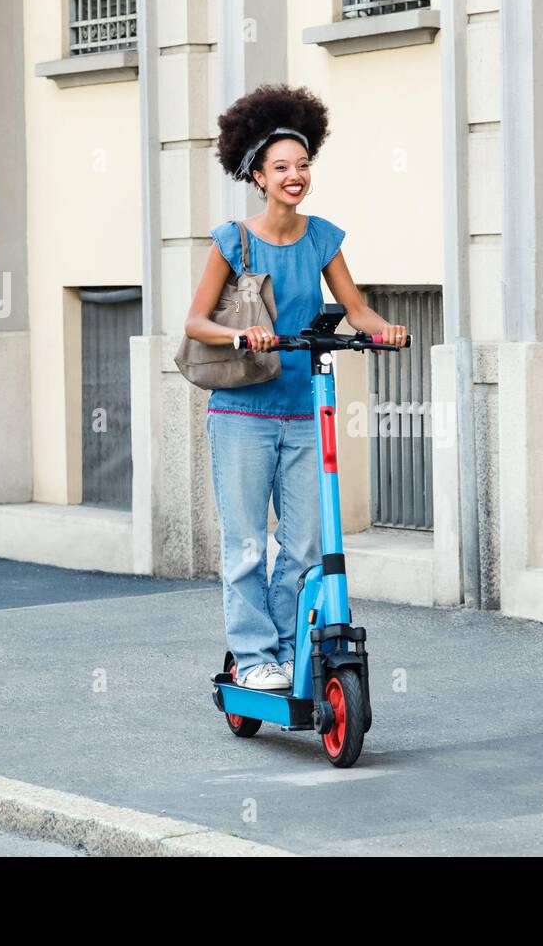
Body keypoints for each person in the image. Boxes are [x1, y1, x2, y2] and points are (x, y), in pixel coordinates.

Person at [185, 84, 407, 691]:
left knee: (306, 547)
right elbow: (195, 321)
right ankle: (253, 656)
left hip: (307, 411)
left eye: (302, 166)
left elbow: (354, 308)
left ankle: (284, 651)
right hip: (242, 414)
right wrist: (244, 337)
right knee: (248, 546)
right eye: (281, 167)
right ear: (257, 175)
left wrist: (384, 329)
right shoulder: (234, 240)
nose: (294, 176)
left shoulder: (320, 237)